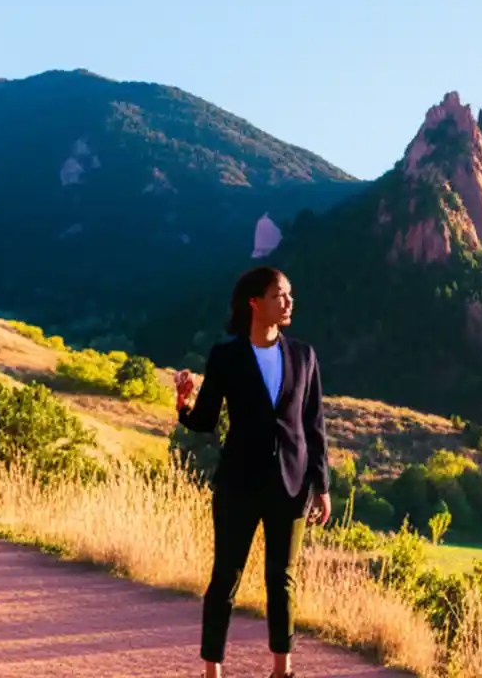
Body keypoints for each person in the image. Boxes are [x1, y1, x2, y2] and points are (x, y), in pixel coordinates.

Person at [174, 265, 331, 678]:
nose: (289, 301)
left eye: (289, 294)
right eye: (279, 295)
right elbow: (206, 420)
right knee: (225, 577)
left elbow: (313, 425)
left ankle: (282, 670)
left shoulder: (304, 355)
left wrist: (322, 485)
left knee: (282, 579)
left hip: (292, 484)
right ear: (255, 303)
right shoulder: (226, 356)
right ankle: (212, 670)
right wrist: (183, 405)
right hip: (239, 484)